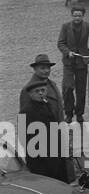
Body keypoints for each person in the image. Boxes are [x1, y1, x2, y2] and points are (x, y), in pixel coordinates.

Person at [20, 54, 71, 182]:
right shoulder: (30, 90)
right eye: (42, 68)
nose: (46, 70)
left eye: (48, 68)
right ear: (35, 69)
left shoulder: (51, 84)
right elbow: (26, 122)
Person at [56, 4, 89, 122]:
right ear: (71, 16)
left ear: (83, 16)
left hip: (82, 61)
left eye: (79, 16)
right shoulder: (65, 27)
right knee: (68, 87)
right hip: (69, 62)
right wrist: (67, 52)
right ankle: (68, 113)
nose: (77, 18)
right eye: (75, 16)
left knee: (81, 89)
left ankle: (79, 113)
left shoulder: (88, 26)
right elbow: (60, 43)